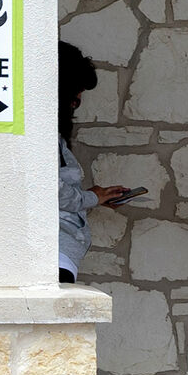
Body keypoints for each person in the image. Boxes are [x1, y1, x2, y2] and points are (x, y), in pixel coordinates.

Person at [57, 41, 134, 285]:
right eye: (75, 96)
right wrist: (91, 198)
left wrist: (95, 197)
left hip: (60, 254)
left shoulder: (50, 136)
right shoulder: (40, 135)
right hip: (56, 256)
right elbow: (52, 191)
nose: (76, 103)